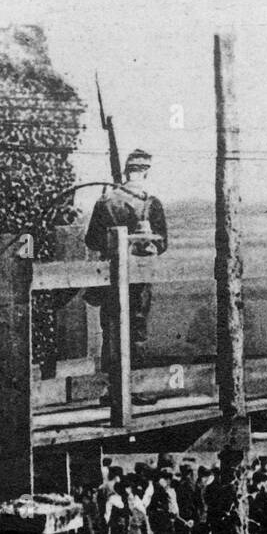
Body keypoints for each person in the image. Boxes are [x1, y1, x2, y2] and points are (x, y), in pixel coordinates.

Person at [85, 149, 168, 369]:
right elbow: (162, 244)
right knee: (137, 328)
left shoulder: (105, 201)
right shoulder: (151, 203)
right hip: (139, 276)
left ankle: (109, 389)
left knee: (111, 328)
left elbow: (91, 241)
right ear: (146, 172)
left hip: (110, 276)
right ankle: (136, 387)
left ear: (126, 170)